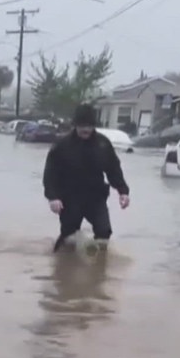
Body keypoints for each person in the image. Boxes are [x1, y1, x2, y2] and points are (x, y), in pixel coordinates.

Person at [42, 103, 130, 254]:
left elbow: (113, 169)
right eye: (82, 125)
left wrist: (123, 191)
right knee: (69, 237)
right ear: (75, 125)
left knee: (104, 232)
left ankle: (99, 267)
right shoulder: (62, 146)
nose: (86, 129)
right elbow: (50, 174)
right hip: (69, 199)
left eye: (89, 126)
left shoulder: (103, 144)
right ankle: (62, 266)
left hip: (95, 198)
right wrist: (53, 197)